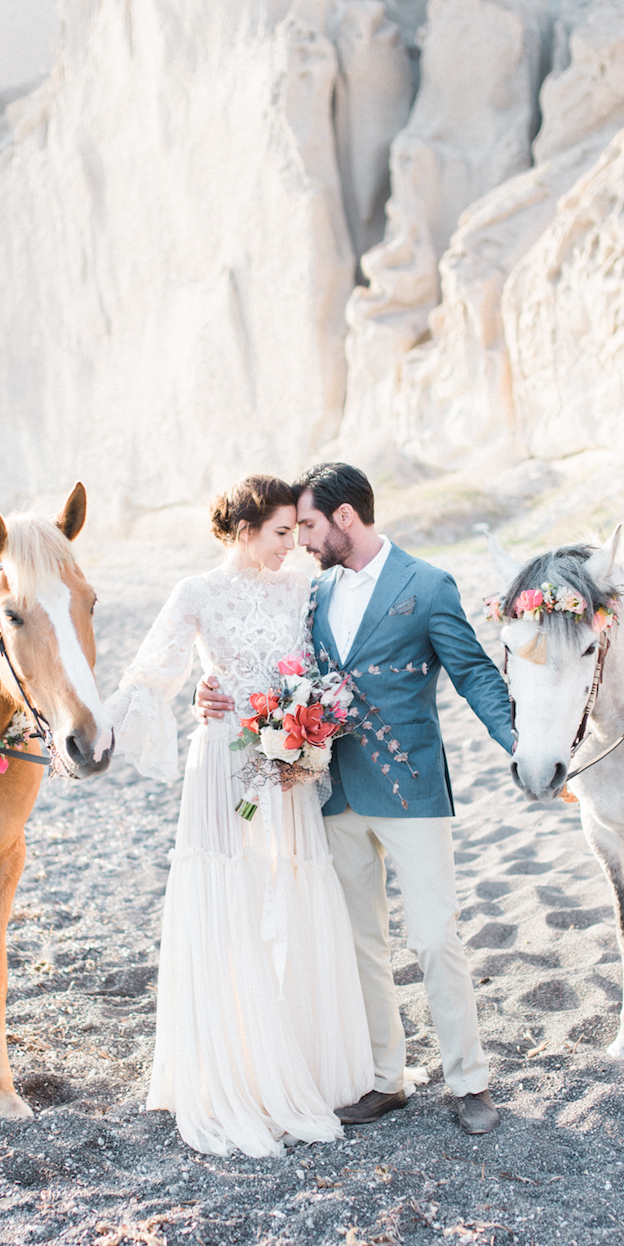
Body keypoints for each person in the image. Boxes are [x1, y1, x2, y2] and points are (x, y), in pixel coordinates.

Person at [198, 462, 512, 1137]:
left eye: (310, 525)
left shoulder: (427, 585)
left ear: (345, 517)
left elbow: (473, 672)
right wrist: (208, 687)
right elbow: (263, 660)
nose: (302, 541)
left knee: (434, 937)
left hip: (411, 788)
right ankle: (384, 1078)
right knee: (361, 943)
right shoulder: (311, 595)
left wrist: (517, 743)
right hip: (333, 791)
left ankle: (469, 1080)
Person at [104, 475, 374, 1158]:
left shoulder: (300, 588)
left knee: (291, 884)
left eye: (296, 532)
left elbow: (324, 664)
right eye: (281, 533)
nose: (292, 545)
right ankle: (237, 1062)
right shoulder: (196, 592)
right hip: (225, 758)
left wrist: (309, 726)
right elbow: (151, 673)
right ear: (246, 530)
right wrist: (178, 700)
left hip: (289, 762)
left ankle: (301, 1057)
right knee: (229, 895)